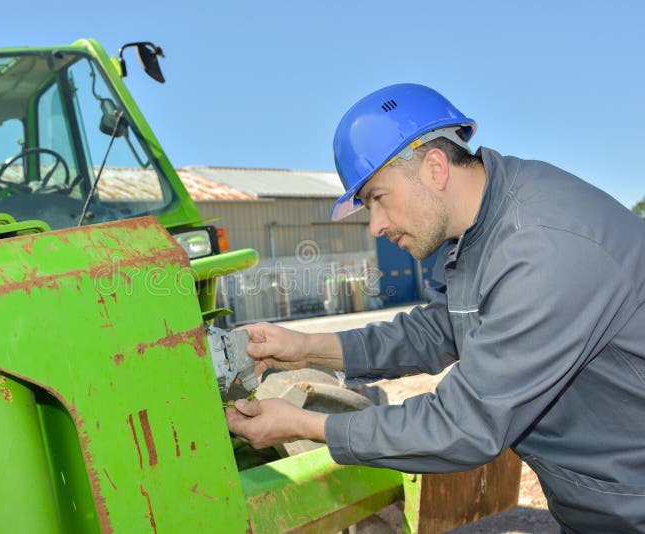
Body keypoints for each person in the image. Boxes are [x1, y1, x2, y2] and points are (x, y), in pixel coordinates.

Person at [226, 83, 645, 533]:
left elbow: (463, 425)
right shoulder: (482, 229)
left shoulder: (542, 246)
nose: (376, 226)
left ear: (435, 167)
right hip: (603, 502)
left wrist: (307, 424)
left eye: (377, 198)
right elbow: (440, 329)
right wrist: (305, 347)